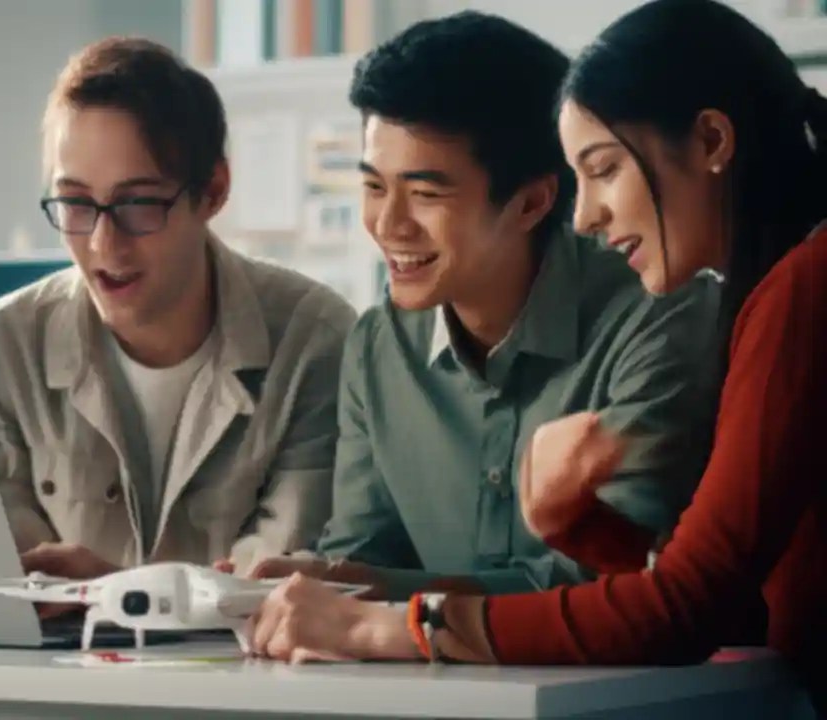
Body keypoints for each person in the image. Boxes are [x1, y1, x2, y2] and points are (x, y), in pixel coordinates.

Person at [246, 0, 827, 711]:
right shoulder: (782, 290)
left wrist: (404, 626)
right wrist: (574, 523)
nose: (584, 216)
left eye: (605, 169)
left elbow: (687, 610)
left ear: (711, 140)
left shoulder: (800, 290)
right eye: (372, 185)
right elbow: (733, 602)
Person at [234, 11, 718, 597]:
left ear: (531, 202)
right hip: (437, 688)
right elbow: (363, 554)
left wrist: (370, 590)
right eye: (372, 186)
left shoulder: (658, 319)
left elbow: (615, 582)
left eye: (425, 194)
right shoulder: (378, 346)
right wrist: (308, 583)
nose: (388, 225)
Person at [0, 38, 357, 581]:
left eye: (138, 204)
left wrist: (110, 592)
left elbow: (289, 581)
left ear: (213, 191)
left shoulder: (314, 342)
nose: (103, 245)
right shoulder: (3, 346)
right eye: (75, 203)